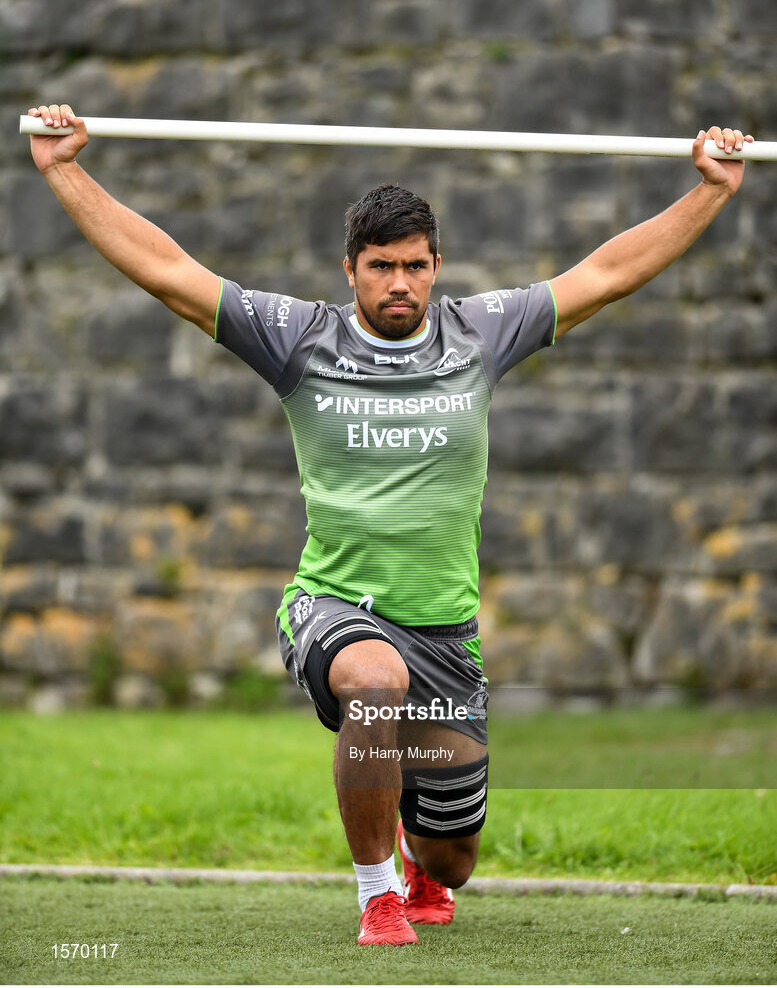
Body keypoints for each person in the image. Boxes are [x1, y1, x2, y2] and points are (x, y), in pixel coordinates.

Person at [28, 104, 752, 945]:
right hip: (337, 605)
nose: (398, 283)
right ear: (351, 270)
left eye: (413, 266)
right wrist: (63, 169)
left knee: (452, 862)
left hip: (444, 631)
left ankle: (414, 858)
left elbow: (608, 272)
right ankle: (376, 894)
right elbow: (167, 271)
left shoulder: (481, 334)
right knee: (374, 689)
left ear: (436, 266)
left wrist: (710, 191)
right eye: (380, 267)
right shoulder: (299, 339)